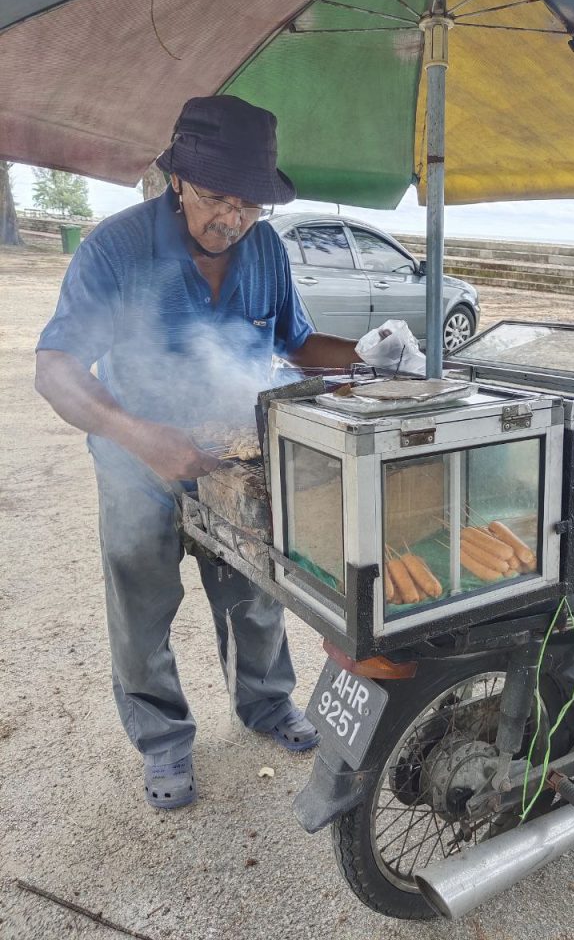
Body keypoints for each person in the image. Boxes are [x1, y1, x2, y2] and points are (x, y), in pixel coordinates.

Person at [35, 96, 360, 810]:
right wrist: (140, 436)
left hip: (234, 457)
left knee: (255, 591)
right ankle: (163, 740)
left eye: (249, 205)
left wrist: (370, 355)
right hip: (136, 457)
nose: (231, 220)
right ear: (177, 180)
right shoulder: (116, 250)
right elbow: (55, 368)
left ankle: (266, 703)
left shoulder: (266, 251)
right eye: (216, 198)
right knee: (142, 602)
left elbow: (297, 343)